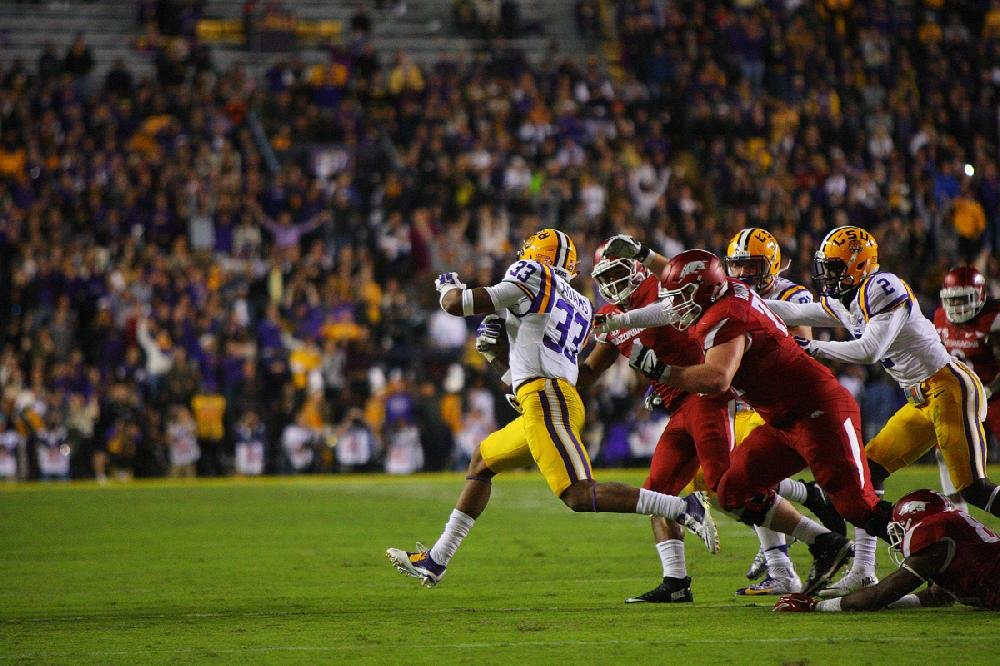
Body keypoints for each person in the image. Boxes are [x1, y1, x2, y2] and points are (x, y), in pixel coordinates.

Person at [386, 229, 718, 590]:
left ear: (537, 255)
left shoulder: (534, 274)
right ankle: (437, 559)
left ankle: (682, 508)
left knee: (578, 494)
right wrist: (498, 359)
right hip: (546, 395)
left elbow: (457, 305)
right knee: (482, 461)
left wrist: (447, 286)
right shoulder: (581, 303)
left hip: (548, 397)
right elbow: (547, 362)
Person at [596, 238, 891, 595]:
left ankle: (932, 538)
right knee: (732, 491)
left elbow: (716, 379)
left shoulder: (724, 316)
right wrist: (625, 315)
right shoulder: (720, 292)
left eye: (682, 296)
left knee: (858, 508)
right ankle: (822, 539)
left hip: (816, 411)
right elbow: (678, 295)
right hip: (780, 419)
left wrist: (663, 372)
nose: (674, 305)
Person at [766, 227, 997, 597]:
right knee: (868, 472)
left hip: (949, 387)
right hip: (920, 399)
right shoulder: (847, 296)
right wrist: (747, 301)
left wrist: (810, 348)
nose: (829, 275)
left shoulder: (882, 287)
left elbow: (869, 351)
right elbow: (795, 310)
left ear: (860, 264)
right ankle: (863, 570)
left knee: (974, 489)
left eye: (836, 267)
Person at [723, 227, 847, 591]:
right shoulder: (728, 293)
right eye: (737, 266)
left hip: (778, 398)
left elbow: (801, 348)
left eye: (752, 266)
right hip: (745, 398)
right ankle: (806, 499)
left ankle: (780, 566)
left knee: (745, 476)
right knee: (726, 477)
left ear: (772, 266)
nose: (743, 274)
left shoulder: (790, 295)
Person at [774, 489, 1000, 612]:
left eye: (900, 529)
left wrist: (816, 606)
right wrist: (891, 602)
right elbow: (937, 596)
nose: (898, 537)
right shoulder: (955, 532)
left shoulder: (934, 534)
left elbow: (878, 595)